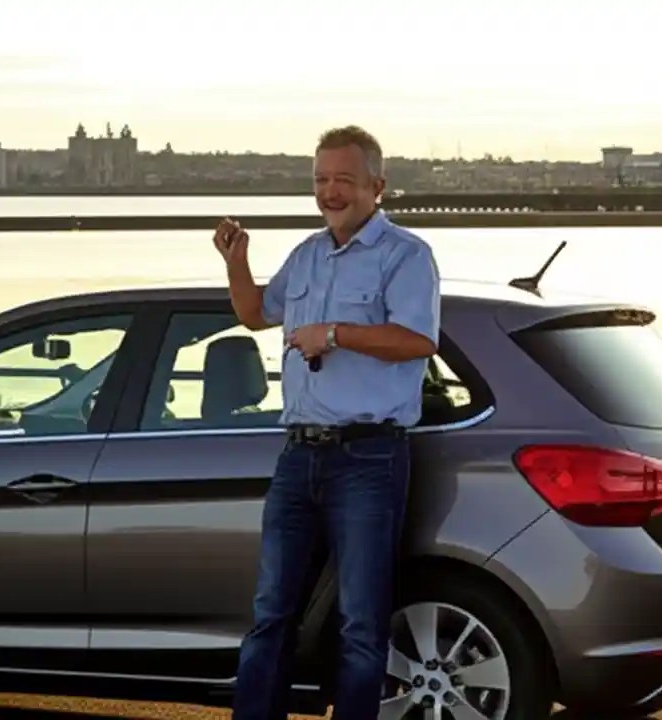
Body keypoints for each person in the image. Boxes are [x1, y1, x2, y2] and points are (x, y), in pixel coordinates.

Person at [216, 125, 440, 720]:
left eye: (344, 179)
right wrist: (236, 261)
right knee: (271, 615)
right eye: (321, 179)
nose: (330, 192)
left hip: (368, 458)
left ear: (377, 186)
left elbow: (418, 340)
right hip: (298, 456)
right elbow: (253, 313)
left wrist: (335, 335)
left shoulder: (407, 256)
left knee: (361, 623)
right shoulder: (307, 255)